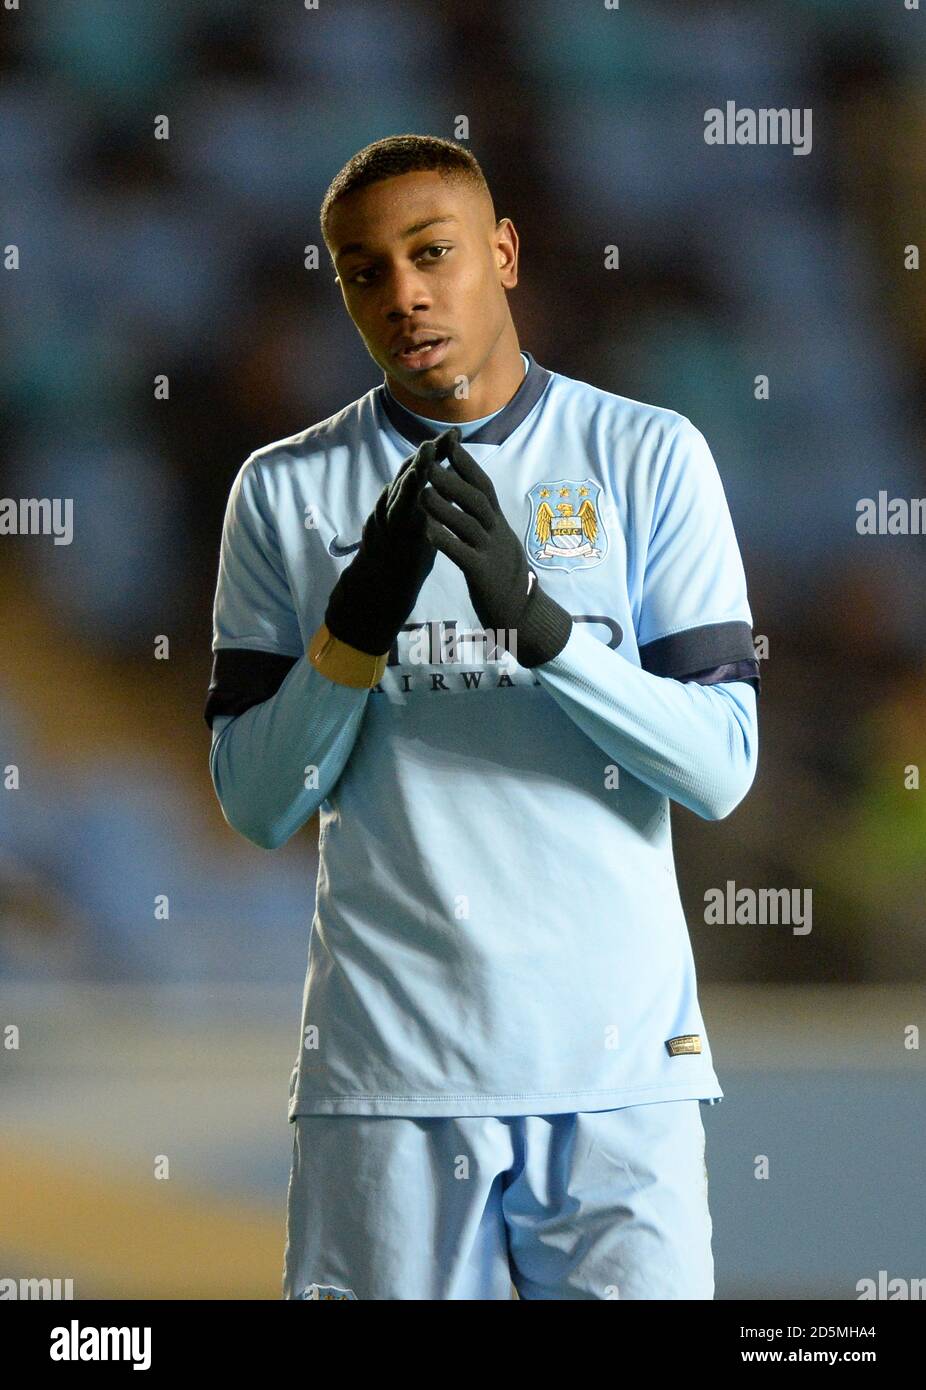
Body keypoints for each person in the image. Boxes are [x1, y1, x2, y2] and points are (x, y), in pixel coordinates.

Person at [204, 133, 760, 1301]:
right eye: (364, 271)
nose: (402, 293)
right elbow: (256, 804)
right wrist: (352, 630)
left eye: (432, 253)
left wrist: (540, 627)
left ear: (501, 253)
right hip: (390, 1074)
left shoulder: (646, 455)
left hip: (618, 1072)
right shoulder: (284, 489)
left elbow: (717, 766)